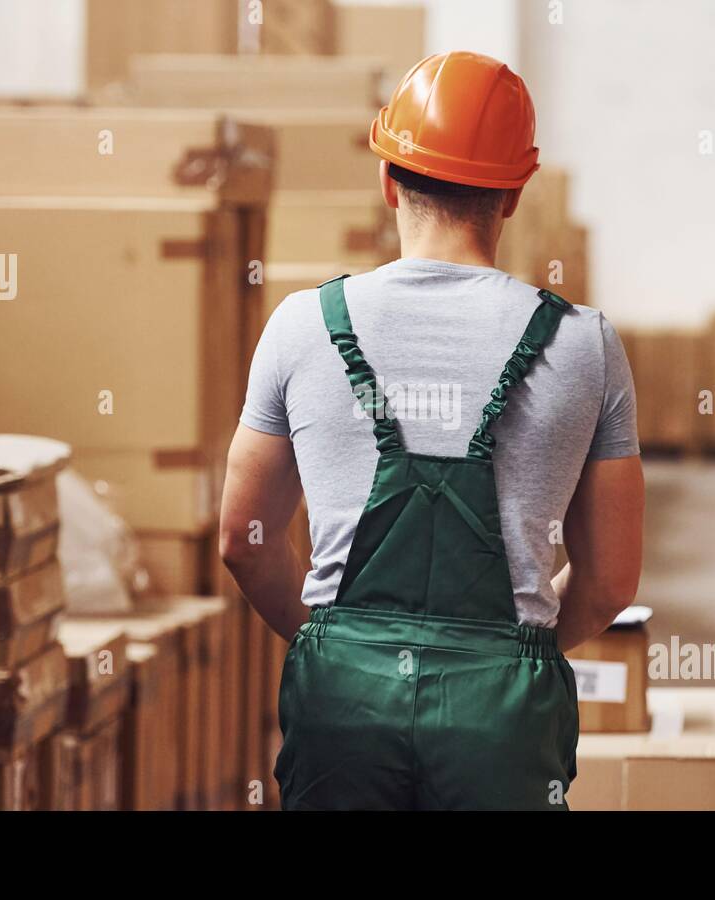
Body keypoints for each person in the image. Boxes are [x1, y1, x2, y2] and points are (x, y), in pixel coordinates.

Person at [219, 50, 644, 810]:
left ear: (388, 180)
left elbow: (241, 539)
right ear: (513, 193)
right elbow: (610, 581)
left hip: (342, 711)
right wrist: (519, 653)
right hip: (502, 724)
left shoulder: (302, 326)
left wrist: (328, 639)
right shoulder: (586, 344)